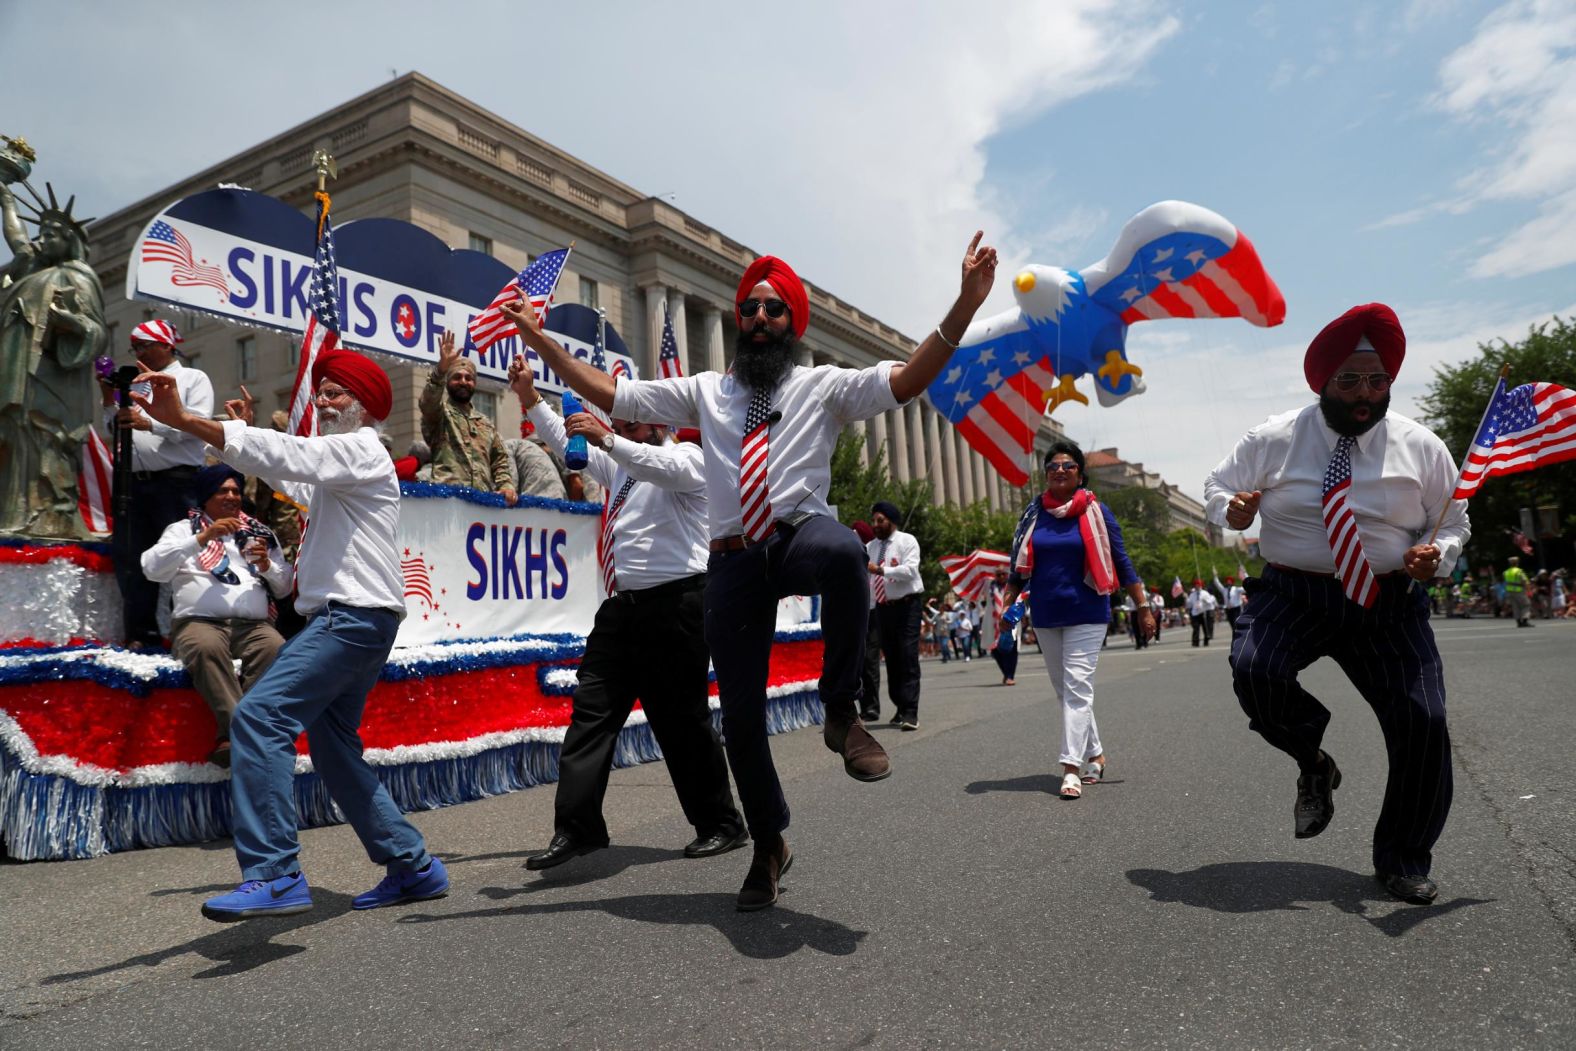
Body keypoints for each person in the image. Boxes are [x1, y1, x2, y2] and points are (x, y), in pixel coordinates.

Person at [499, 232, 998, 910]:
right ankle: (768, 842)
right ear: (739, 321)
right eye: (751, 309)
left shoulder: (823, 386)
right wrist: (542, 342)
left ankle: (840, 709)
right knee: (738, 721)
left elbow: (909, 379)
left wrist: (965, 304)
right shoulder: (707, 391)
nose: (761, 319)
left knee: (845, 553)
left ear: (793, 323)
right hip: (733, 563)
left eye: (774, 310)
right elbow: (612, 394)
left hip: (796, 538)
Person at [131, 347, 449, 920]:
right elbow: (292, 473)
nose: (323, 402)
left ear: (366, 405)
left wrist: (187, 422)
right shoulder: (345, 471)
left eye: (336, 393)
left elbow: (292, 452)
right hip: (359, 620)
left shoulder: (361, 448)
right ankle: (413, 866)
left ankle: (275, 874)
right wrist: (242, 432)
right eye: (320, 392)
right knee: (332, 749)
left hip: (350, 619)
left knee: (258, 718)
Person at [1204, 302, 1470, 906]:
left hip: (1387, 597)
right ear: (1321, 381)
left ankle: (1402, 859)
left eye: (1378, 382)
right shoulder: (1273, 437)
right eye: (1349, 381)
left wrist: (1438, 555)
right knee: (1255, 670)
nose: (1364, 394)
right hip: (1294, 590)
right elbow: (1218, 487)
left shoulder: (1421, 447)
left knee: (1423, 724)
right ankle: (1313, 760)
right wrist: (1232, 511)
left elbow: (1452, 520)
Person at [508, 353, 747, 870]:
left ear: (658, 419)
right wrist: (531, 398)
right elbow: (559, 436)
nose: (625, 421)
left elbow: (650, 464)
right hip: (621, 611)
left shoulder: (687, 457)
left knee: (680, 720)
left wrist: (608, 439)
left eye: (635, 413)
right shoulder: (617, 462)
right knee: (591, 714)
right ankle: (579, 828)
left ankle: (722, 824)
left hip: (677, 603)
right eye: (620, 414)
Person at [999, 440, 1154, 800]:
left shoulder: (1096, 511)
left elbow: (1122, 560)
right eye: (1052, 466)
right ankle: (1095, 754)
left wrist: (1142, 606)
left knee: (1078, 687)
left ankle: (1070, 767)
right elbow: (1015, 569)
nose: (1059, 471)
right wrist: (1007, 607)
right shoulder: (1032, 514)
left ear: (1080, 474)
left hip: (1088, 611)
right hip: (1046, 612)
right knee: (1065, 690)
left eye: (1068, 465)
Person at [140, 465, 292, 766]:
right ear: (206, 496)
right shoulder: (182, 530)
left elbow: (285, 587)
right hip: (199, 622)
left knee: (276, 648)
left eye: (236, 490)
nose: (232, 496)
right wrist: (202, 538)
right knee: (207, 648)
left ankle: (232, 738)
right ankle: (249, 736)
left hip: (253, 626)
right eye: (223, 490)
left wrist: (267, 568)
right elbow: (151, 568)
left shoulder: (261, 533)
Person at [106, 321, 214, 649]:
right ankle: (141, 635)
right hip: (132, 483)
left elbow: (195, 423)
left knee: (181, 557)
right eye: (134, 348)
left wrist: (148, 423)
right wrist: (108, 397)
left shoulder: (192, 378)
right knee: (132, 559)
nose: (138, 353)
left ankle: (184, 634)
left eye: (144, 346)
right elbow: (113, 426)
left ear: (166, 345)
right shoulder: (134, 386)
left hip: (175, 482)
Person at [420, 329, 516, 504]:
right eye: (457, 377)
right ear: (448, 382)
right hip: (446, 502)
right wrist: (441, 370)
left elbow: (500, 460)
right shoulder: (439, 414)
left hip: (482, 506)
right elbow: (427, 402)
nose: (463, 381)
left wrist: (506, 485)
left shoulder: (486, 424)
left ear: (474, 384)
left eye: (468, 378)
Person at [866, 500, 924, 729]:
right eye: (874, 520)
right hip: (882, 608)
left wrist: (881, 569)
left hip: (907, 606)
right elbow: (869, 581)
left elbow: (910, 571)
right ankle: (900, 706)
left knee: (907, 656)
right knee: (890, 659)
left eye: (880, 520)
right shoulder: (871, 547)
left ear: (891, 520)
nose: (876, 524)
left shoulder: (906, 541)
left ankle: (911, 712)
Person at [851, 520, 883, 721]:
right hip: (854, 613)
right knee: (858, 662)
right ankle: (863, 705)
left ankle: (871, 707)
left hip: (871, 612)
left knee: (869, 661)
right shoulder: (850, 555)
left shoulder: (869, 557)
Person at [505, 417, 569, 500]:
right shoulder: (524, 448)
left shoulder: (507, 447)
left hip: (536, 504)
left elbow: (509, 488)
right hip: (559, 502)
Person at [1185, 579, 1217, 647]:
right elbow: (1190, 604)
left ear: (1201, 585)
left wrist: (1205, 600)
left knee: (1205, 628)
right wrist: (1186, 600)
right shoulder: (1192, 594)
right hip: (1195, 613)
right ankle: (1195, 642)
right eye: (1196, 585)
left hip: (1203, 612)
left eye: (1198, 585)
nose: (1197, 586)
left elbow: (1210, 602)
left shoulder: (1205, 593)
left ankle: (1206, 641)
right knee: (1196, 628)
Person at [1503, 556, 1532, 627]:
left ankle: (1519, 622)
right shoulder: (1519, 571)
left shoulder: (1506, 572)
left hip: (1510, 591)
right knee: (1526, 605)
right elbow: (1525, 581)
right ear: (1517, 563)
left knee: (1515, 607)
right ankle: (1525, 620)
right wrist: (1529, 591)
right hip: (1519, 591)